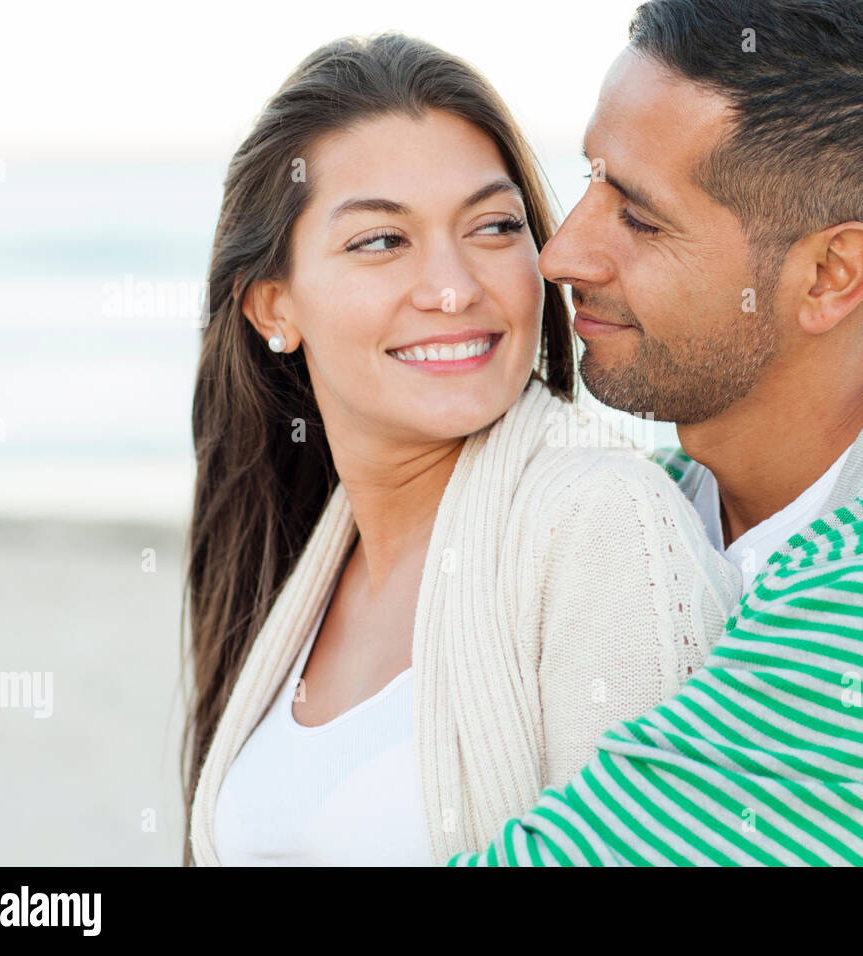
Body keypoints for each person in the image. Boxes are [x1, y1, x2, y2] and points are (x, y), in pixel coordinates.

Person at [450, 0, 863, 866]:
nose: (561, 254)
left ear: (831, 275)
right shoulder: (678, 494)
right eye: (591, 182)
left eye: (639, 218)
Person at [179, 33, 739, 866]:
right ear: (273, 307)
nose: (453, 287)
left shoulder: (603, 528)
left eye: (492, 226)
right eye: (381, 241)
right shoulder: (304, 558)